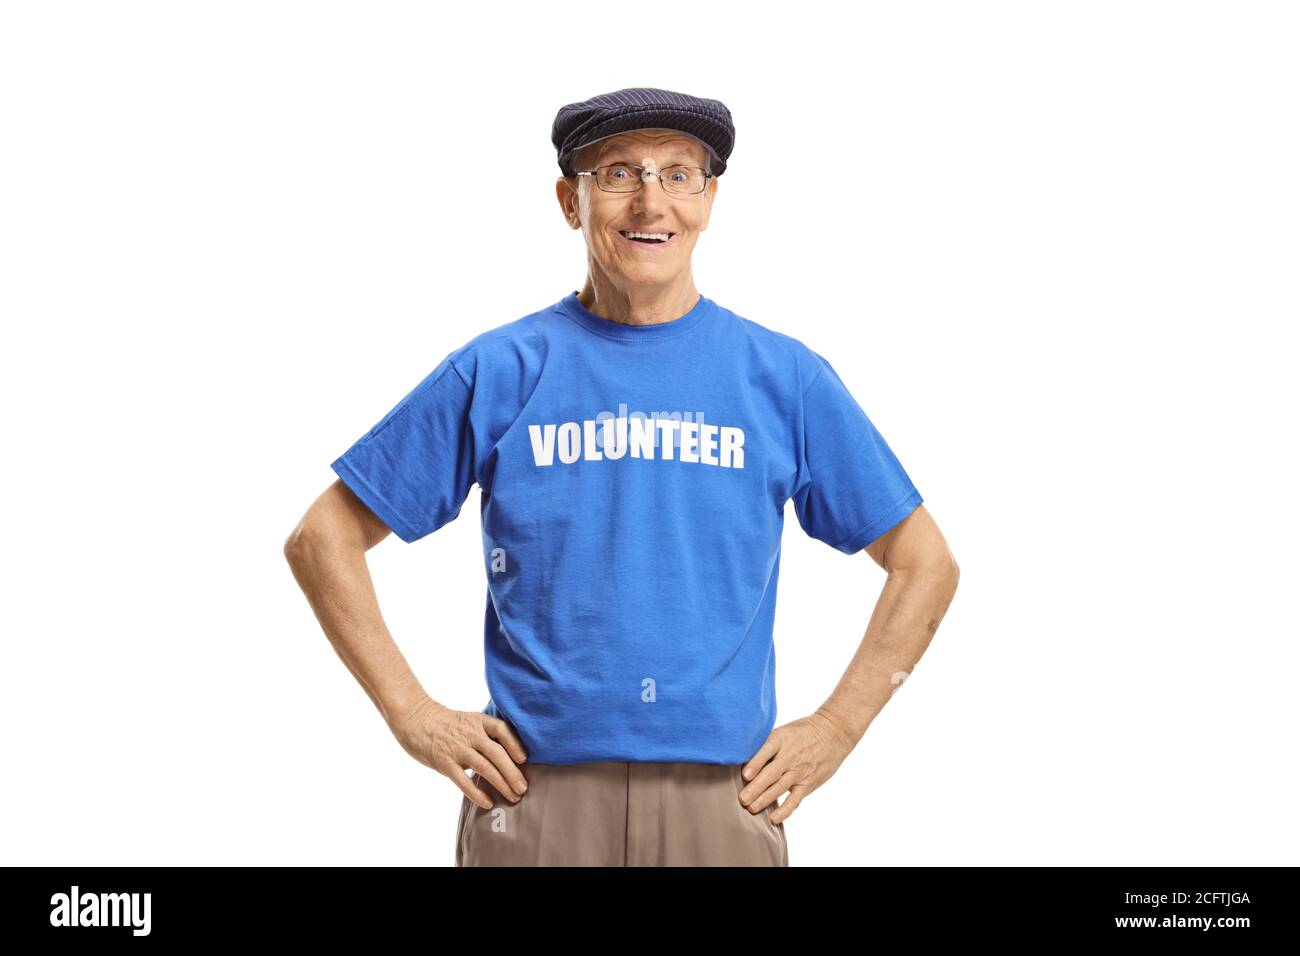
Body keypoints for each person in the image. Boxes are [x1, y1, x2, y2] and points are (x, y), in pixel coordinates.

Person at [284, 87, 960, 866]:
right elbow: (321, 537)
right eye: (618, 173)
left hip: (723, 802)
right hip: (534, 803)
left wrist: (838, 727)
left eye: (680, 174)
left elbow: (925, 562)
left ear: (710, 200)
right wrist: (411, 713)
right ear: (571, 202)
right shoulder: (501, 369)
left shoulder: (782, 378)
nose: (651, 201)